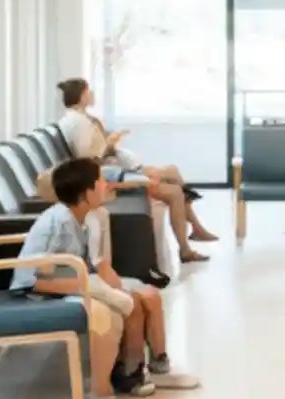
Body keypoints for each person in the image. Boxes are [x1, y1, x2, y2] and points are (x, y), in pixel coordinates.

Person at [9, 158, 156, 399]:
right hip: (39, 288)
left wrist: (99, 284)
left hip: (66, 282)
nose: (107, 185)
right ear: (86, 193)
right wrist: (88, 288)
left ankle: (121, 375)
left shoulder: (83, 217)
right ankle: (100, 389)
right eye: (101, 181)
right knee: (103, 309)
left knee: (113, 303)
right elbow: (36, 280)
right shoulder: (61, 221)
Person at [56, 78, 215, 262]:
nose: (92, 94)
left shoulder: (79, 120)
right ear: (82, 95)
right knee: (174, 190)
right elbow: (87, 161)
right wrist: (108, 144)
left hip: (111, 167)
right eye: (89, 91)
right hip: (107, 174)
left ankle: (194, 229)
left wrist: (109, 145)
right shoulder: (78, 123)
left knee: (173, 174)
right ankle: (188, 243)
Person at [85, 207, 200, 391]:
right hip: (88, 280)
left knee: (152, 295)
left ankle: (158, 362)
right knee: (136, 300)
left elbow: (104, 261)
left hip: (101, 277)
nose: (107, 185)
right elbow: (90, 265)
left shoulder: (101, 214)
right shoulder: (75, 219)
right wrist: (118, 288)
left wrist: (117, 283)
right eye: (100, 182)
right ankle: (132, 369)